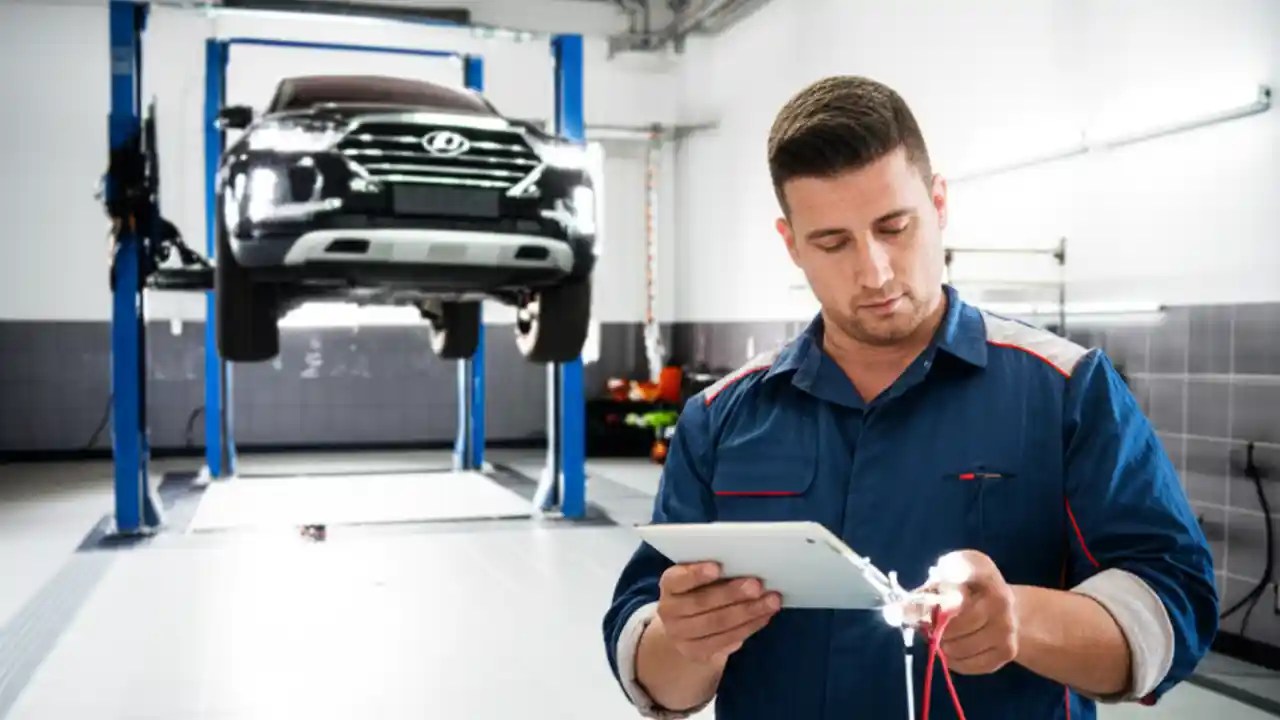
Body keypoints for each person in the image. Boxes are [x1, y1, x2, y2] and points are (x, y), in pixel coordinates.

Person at [601, 75, 1218, 719]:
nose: (875, 272)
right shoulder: (720, 418)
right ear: (790, 244)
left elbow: (1174, 603)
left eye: (895, 226)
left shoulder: (1065, 390)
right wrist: (688, 642)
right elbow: (657, 668)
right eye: (832, 242)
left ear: (939, 202)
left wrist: (1022, 621)